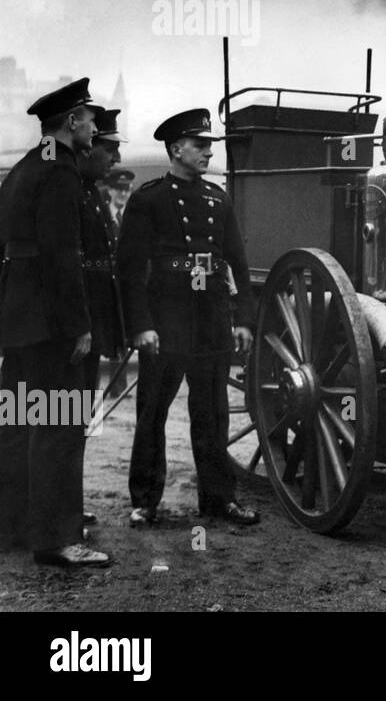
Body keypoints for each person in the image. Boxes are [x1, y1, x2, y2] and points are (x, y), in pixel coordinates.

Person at [117, 108, 258, 527]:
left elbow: (238, 263)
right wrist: (141, 325)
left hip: (210, 317)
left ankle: (218, 499)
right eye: (200, 145)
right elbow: (128, 270)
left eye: (210, 146)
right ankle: (145, 500)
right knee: (153, 412)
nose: (208, 152)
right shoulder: (149, 199)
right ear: (176, 149)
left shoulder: (219, 199)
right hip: (166, 320)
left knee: (212, 413)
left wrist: (243, 320)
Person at [0, 78, 110, 567]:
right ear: (71, 122)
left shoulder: (24, 167)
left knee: (18, 422)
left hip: (19, 320)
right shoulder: (62, 172)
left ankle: (15, 528)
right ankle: (57, 539)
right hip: (51, 322)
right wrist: (79, 325)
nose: (94, 127)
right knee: (60, 425)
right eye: (89, 119)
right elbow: (62, 257)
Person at [75, 107, 128, 529]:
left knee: (80, 419)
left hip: (91, 321)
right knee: (61, 419)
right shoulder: (74, 190)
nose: (115, 160)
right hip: (75, 325)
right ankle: (57, 511)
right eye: (109, 149)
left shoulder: (91, 192)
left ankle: (69, 503)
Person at [103, 167, 135, 242]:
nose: (123, 194)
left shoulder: (135, 215)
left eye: (126, 189)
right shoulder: (101, 214)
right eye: (119, 189)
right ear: (109, 190)